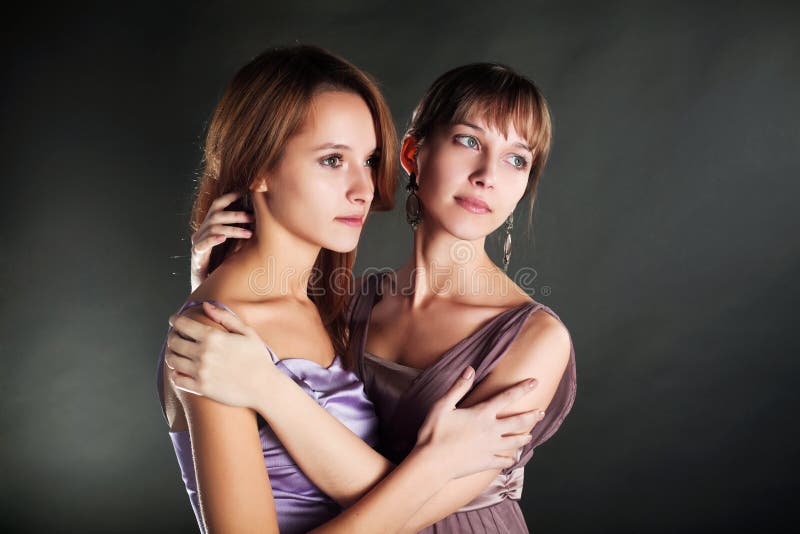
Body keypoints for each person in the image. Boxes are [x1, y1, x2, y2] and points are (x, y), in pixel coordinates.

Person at [157, 47, 545, 534]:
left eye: (368, 160)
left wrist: (213, 282)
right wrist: (437, 464)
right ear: (257, 166)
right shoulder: (220, 337)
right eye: (333, 159)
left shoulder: (324, 306)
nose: (365, 188)